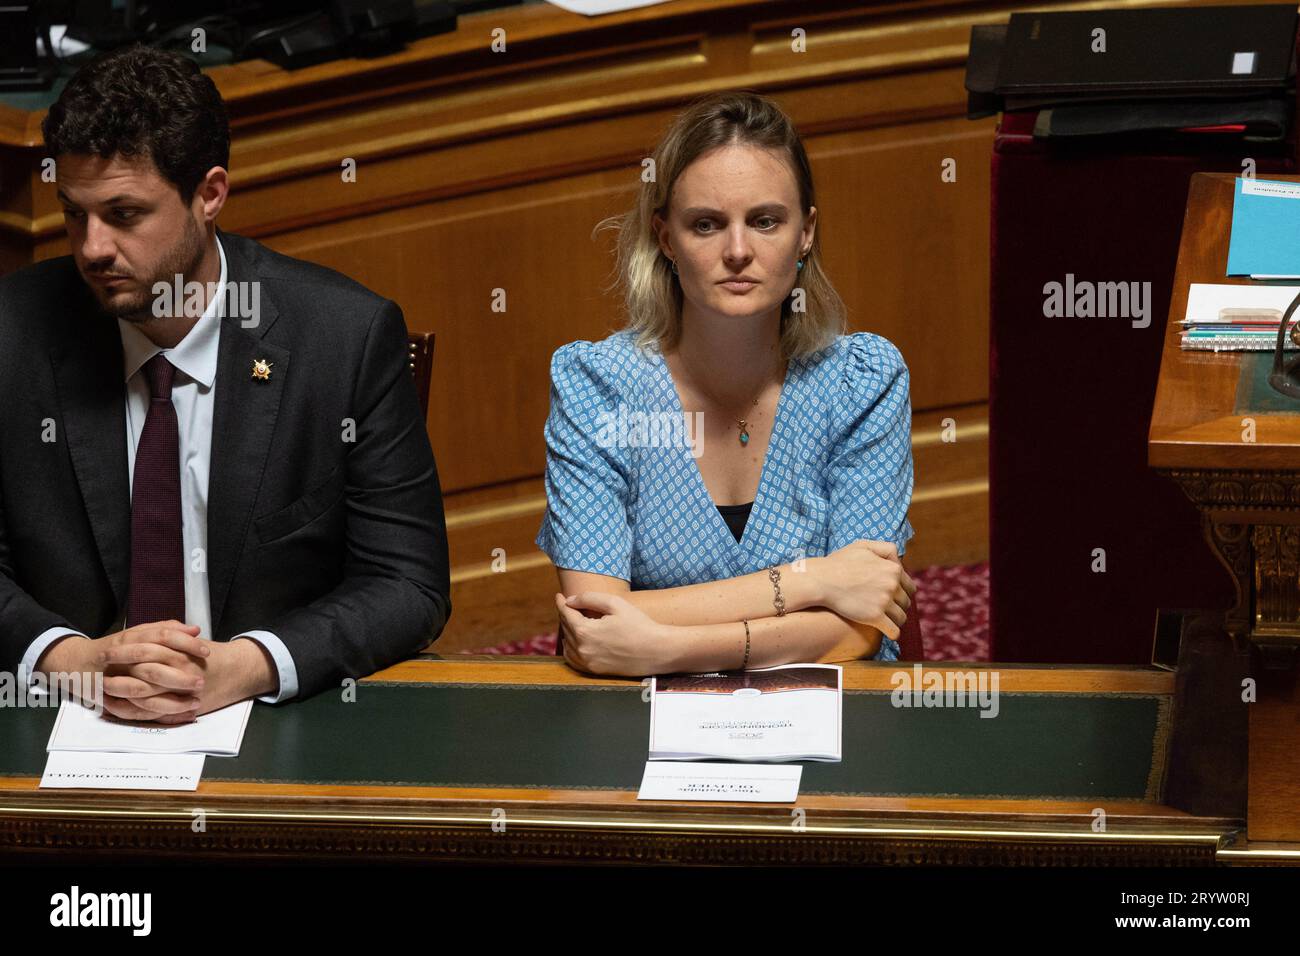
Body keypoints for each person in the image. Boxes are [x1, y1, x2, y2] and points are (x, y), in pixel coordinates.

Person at [0, 45, 451, 722]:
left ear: (209, 195)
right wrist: (69, 658)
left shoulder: (343, 339)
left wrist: (249, 665)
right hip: (67, 719)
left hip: (274, 717)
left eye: (124, 215)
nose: (91, 248)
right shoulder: (14, 332)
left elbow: (408, 584)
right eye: (73, 213)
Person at [537, 90, 916, 678]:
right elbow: (594, 622)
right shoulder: (600, 389)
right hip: (641, 717)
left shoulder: (861, 383)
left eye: (765, 221)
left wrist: (664, 647)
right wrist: (814, 580)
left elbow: (863, 628)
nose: (738, 251)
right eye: (707, 225)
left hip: (828, 708)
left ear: (806, 233)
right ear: (666, 239)